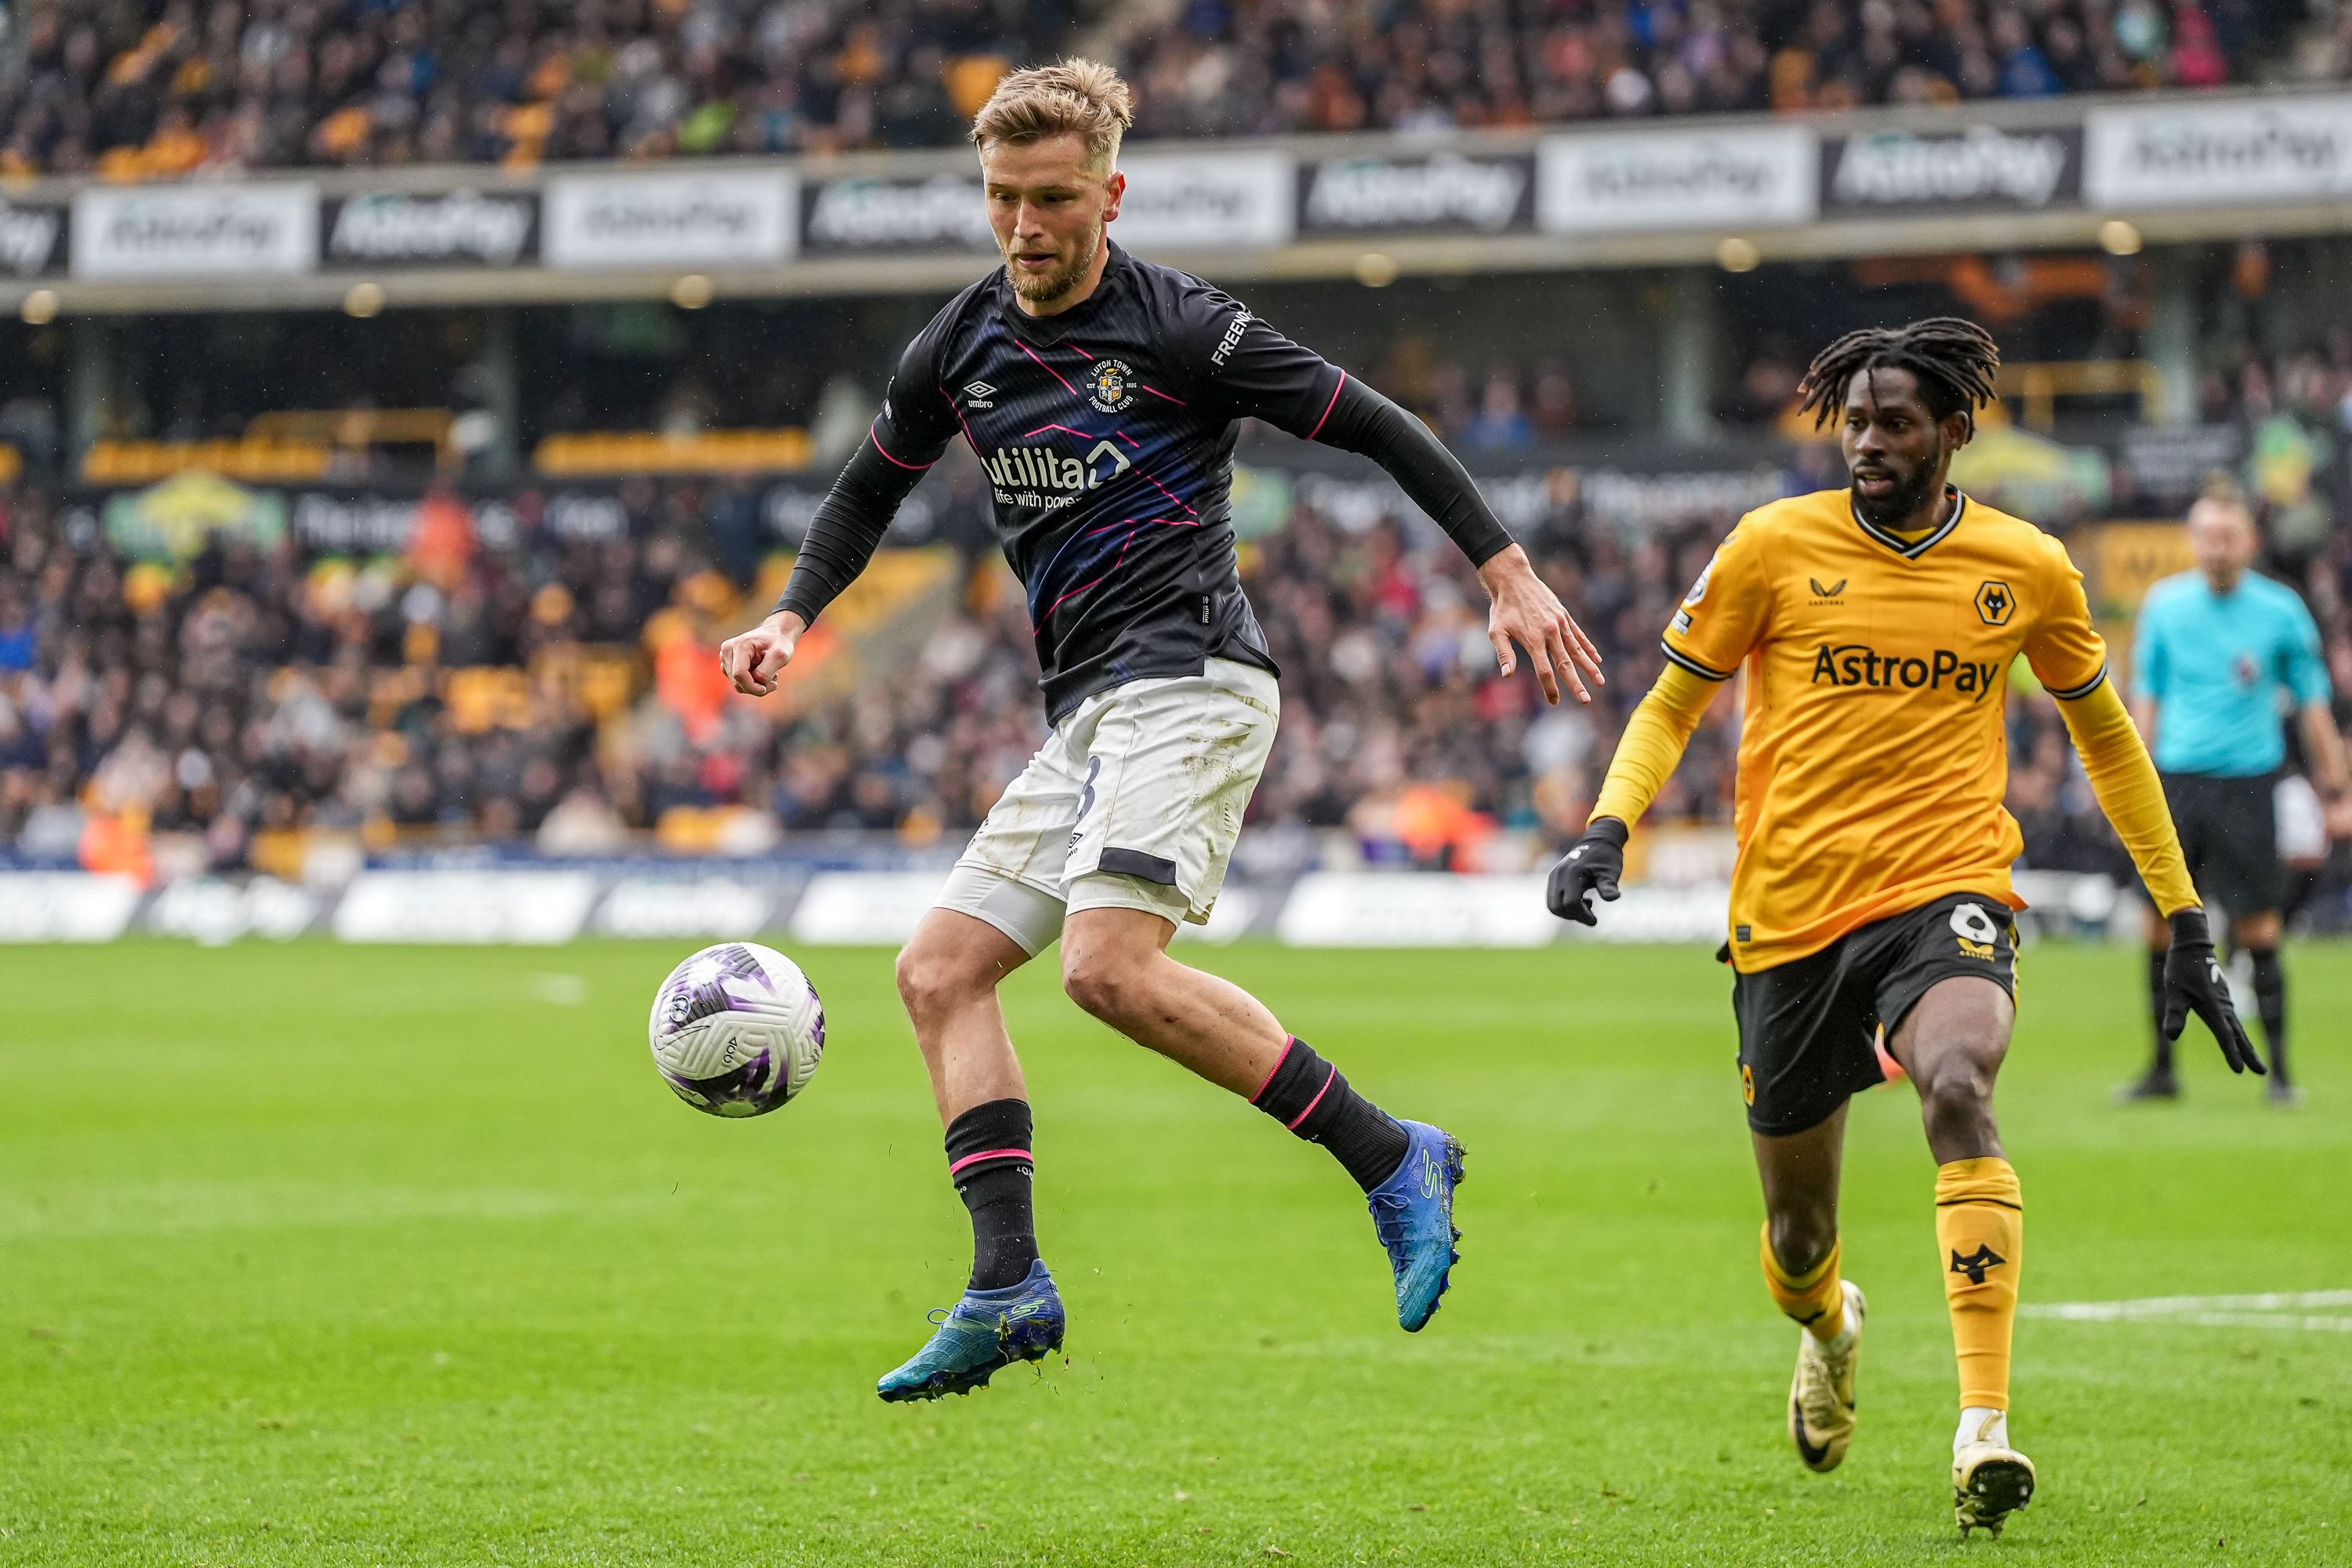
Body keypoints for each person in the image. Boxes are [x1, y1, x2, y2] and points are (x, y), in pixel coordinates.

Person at [719, 60, 1602, 1403]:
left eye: (1054, 198)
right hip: (1088, 711)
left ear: (1111, 195)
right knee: (937, 975)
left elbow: (1375, 424)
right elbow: (863, 494)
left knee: (1105, 971)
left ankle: (1389, 1155)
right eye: (1004, 198)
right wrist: (792, 617)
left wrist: (1504, 567)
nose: (1025, 225)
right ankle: (1008, 1282)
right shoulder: (957, 344)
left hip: (1191, 677)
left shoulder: (1186, 327)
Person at [1545, 318, 2258, 1538]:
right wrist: (1609, 825)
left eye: (1894, 423)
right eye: (1856, 423)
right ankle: (1830, 1325)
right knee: (1798, 1233)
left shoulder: (2025, 567)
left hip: (1949, 885)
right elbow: (1673, 699)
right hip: (1788, 920)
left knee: (1961, 1084)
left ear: (1955, 432)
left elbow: (2108, 744)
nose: (1867, 443)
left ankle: (1984, 1425)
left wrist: (2185, 917)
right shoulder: (1773, 545)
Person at [2118, 478, 2347, 1107]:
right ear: (2191, 540)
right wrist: (2133, 789)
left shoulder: (2280, 611)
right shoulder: (2164, 605)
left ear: (2248, 541)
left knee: (2261, 925)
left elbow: (2314, 706)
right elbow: (2147, 702)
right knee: (2159, 924)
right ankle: (2162, 1070)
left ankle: (2281, 1076)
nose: (2215, 547)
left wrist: (2337, 787)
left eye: (2227, 536)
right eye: (2205, 536)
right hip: (2176, 783)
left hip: (2248, 784)